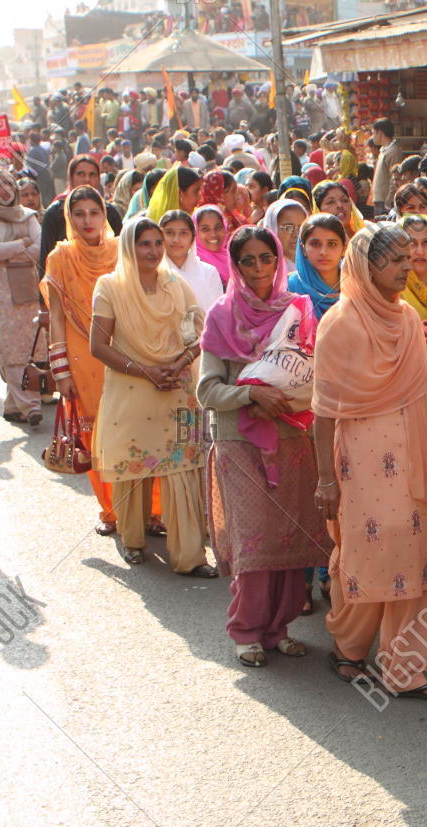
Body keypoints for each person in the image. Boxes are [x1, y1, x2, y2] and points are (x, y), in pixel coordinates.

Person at [312, 223, 427, 703]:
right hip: (362, 463)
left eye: (407, 255)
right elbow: (323, 413)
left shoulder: (408, 319)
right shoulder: (340, 323)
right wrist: (325, 480)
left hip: (417, 455)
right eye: (394, 259)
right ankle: (349, 647)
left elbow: (425, 392)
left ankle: (407, 669)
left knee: (419, 556)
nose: (406, 265)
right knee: (369, 554)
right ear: (366, 265)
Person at [198, 225, 329, 666]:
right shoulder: (221, 315)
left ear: (278, 261)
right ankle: (247, 631)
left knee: (290, 538)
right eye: (248, 260)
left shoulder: (297, 310)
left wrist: (291, 399)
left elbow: (315, 373)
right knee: (254, 540)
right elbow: (206, 390)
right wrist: (251, 395)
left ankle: (279, 628)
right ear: (235, 266)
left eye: (266, 258)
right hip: (240, 441)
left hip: (293, 437)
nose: (258, 268)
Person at [88, 216, 215, 576]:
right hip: (132, 389)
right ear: (129, 247)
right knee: (134, 467)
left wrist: (179, 364)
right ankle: (133, 540)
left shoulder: (176, 284)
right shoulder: (109, 287)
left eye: (158, 243)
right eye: (145, 243)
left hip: (177, 387)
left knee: (184, 467)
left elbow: (202, 335)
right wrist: (145, 371)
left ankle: (190, 557)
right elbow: (99, 345)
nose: (154, 250)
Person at [44, 186, 122, 532]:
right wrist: (60, 371)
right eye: (79, 214)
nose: (87, 220)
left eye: (94, 212)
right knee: (95, 438)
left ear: (105, 215)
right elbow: (56, 318)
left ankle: (149, 510)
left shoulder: (121, 251)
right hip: (81, 359)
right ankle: (111, 511)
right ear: (69, 218)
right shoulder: (60, 257)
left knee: (132, 432)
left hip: (122, 354)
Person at [0, 171, 44, 424]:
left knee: (28, 346)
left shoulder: (28, 215)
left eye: (8, 184)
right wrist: (22, 243)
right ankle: (31, 404)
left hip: (26, 285)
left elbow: (39, 248)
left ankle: (13, 406)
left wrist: (9, 251)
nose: (5, 189)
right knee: (9, 346)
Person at [38, 155, 124, 271]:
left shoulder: (110, 213)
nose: (87, 179)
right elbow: (45, 261)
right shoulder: (55, 213)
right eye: (81, 174)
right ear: (71, 178)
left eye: (92, 175)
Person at [159, 209, 224, 312]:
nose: (176, 240)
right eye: (169, 233)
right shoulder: (155, 274)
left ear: (192, 238)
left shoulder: (209, 272)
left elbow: (218, 314)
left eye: (183, 233)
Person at [288, 213, 345, 321]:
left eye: (332, 244)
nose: (324, 252)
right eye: (315, 244)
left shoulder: (356, 288)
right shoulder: (289, 288)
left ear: (343, 248)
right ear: (303, 249)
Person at [263, 197, 308, 270]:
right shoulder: (265, 270)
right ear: (272, 228)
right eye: (288, 228)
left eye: (301, 227)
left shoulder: (315, 266)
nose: (296, 234)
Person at [193, 205, 232, 286]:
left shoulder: (232, 258)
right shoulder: (193, 263)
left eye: (218, 227)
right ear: (195, 232)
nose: (213, 234)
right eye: (205, 229)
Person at [370, 118, 401, 212]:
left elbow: (395, 178)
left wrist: (389, 201)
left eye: (373, 133)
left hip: (385, 202)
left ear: (379, 133)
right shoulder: (384, 150)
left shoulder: (393, 152)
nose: (372, 136)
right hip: (379, 200)